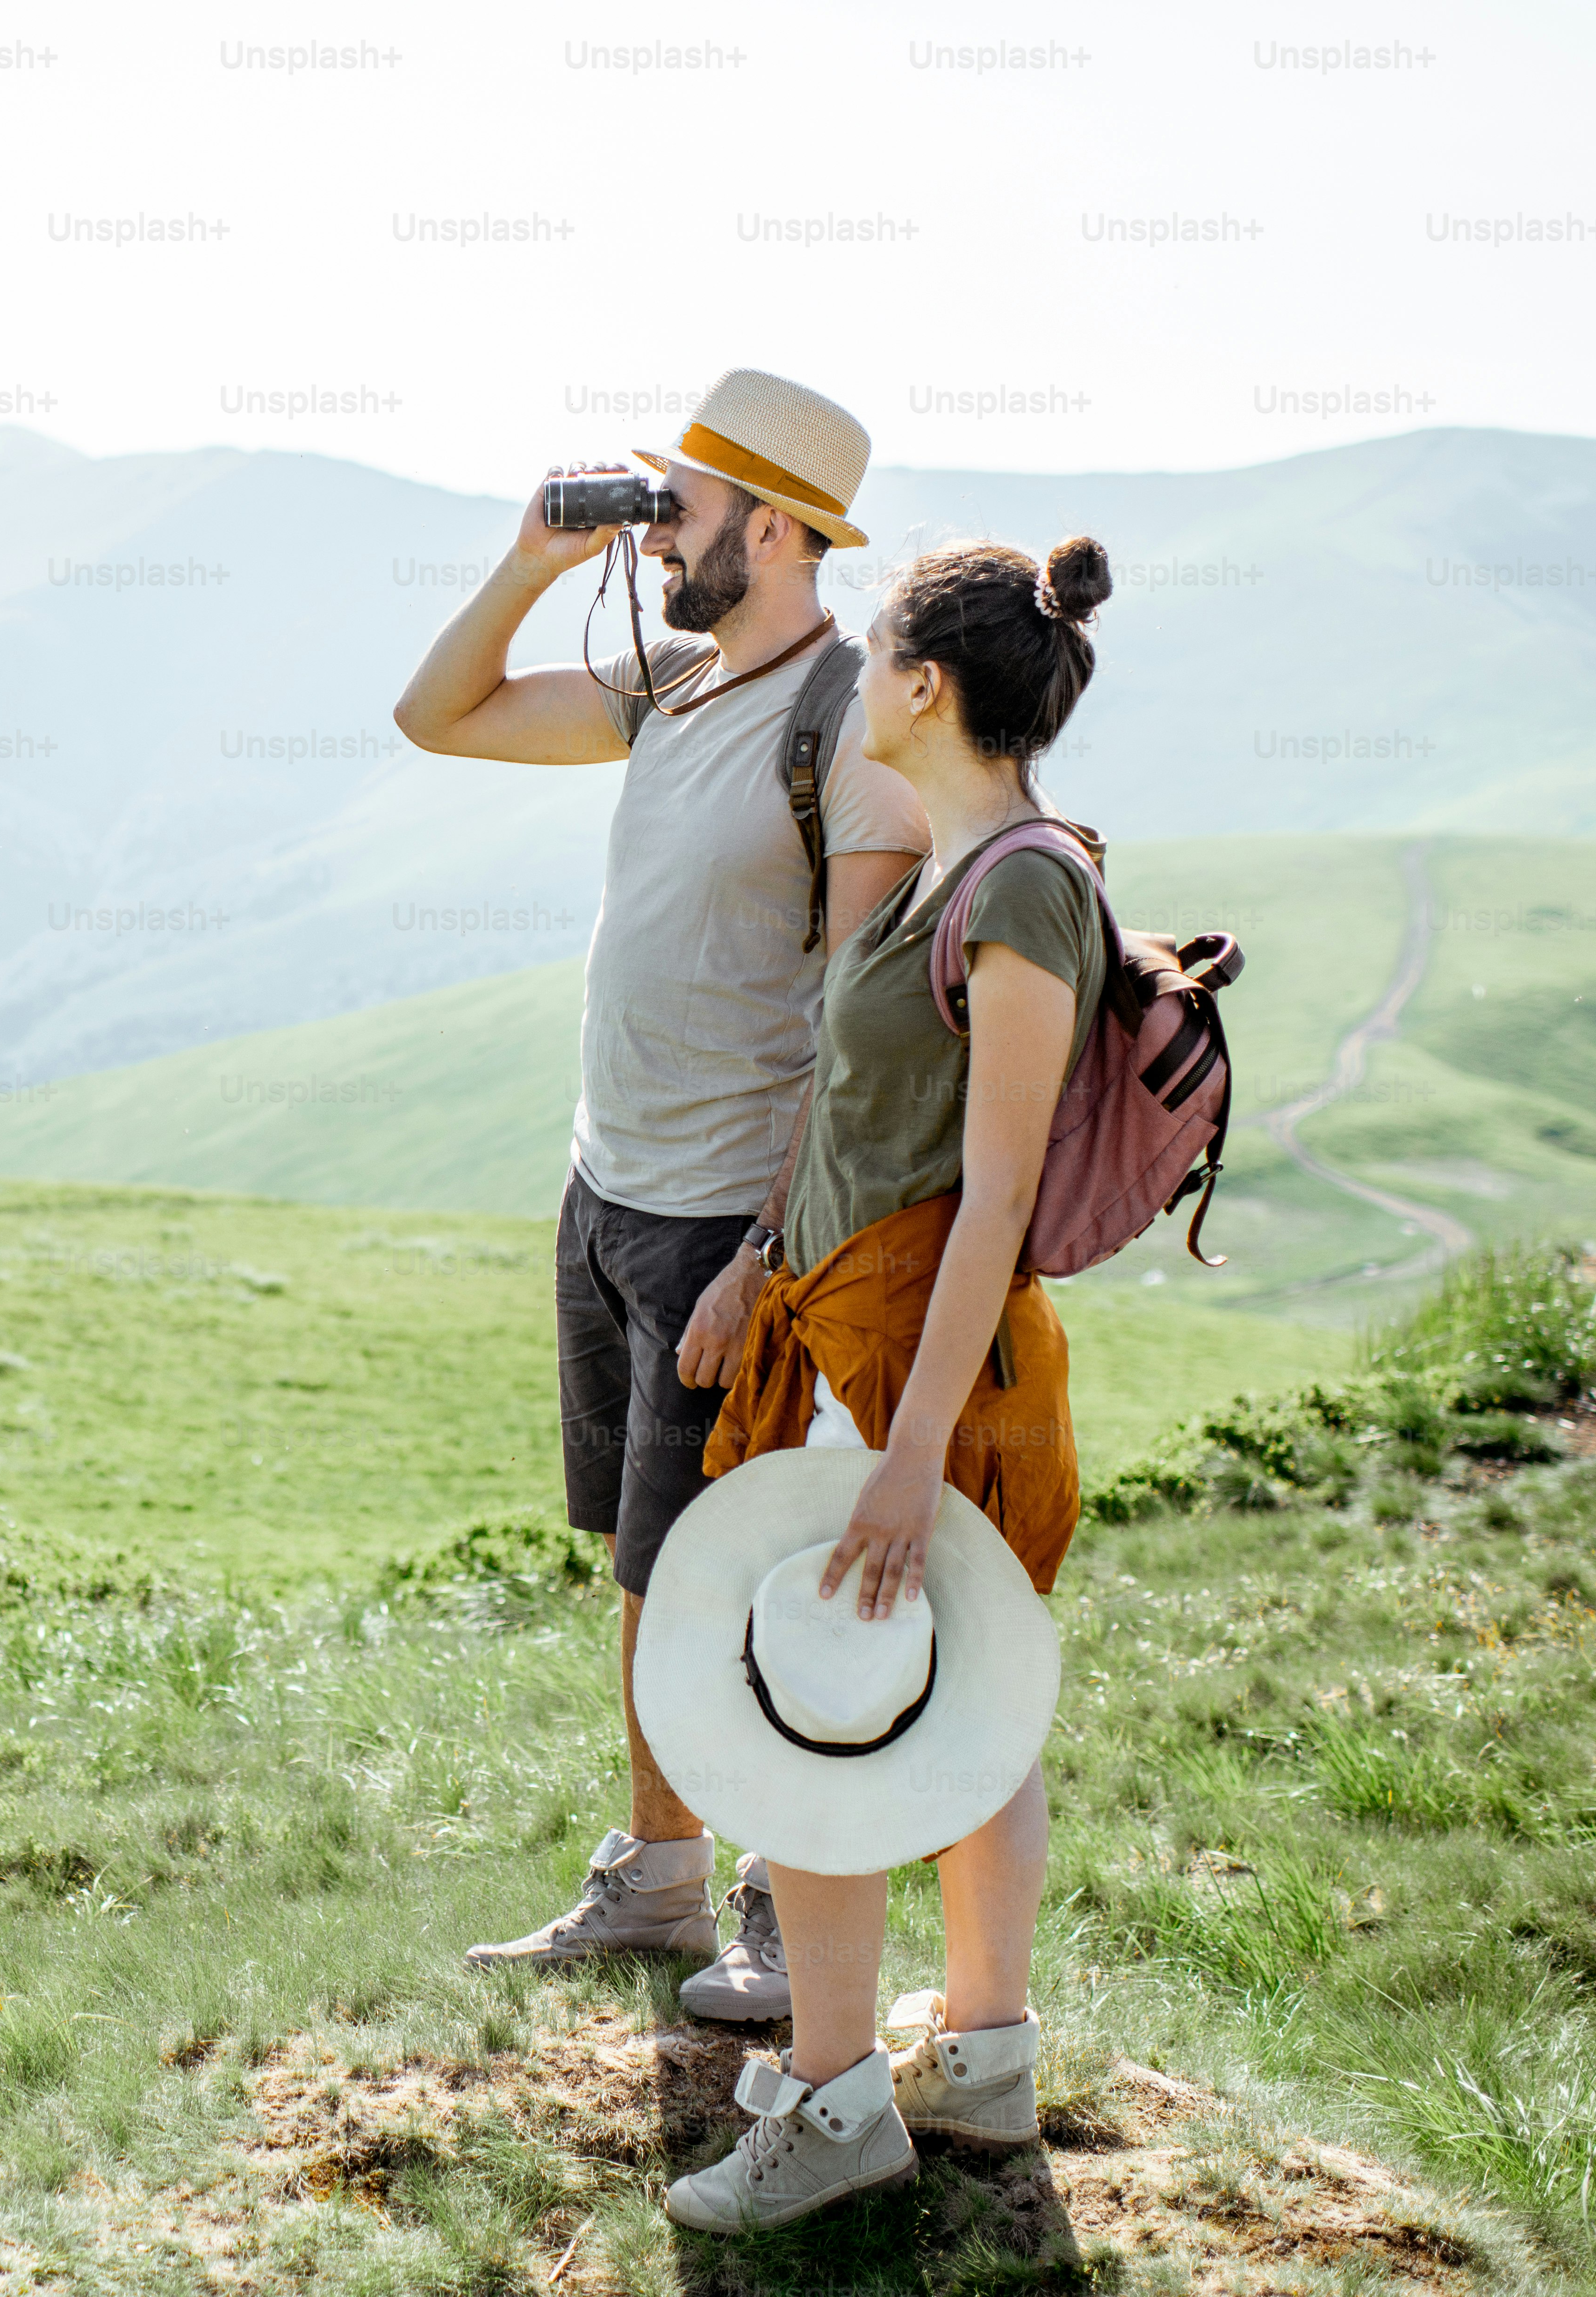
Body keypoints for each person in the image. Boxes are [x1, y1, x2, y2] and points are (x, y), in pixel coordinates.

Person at [393, 373, 926, 1987]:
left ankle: (780, 1908)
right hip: (609, 1186)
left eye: (676, 505)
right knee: (646, 1566)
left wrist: (764, 1250)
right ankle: (660, 1880)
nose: (652, 527)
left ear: (775, 530)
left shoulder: (852, 726)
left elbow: (856, 1033)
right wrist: (531, 556)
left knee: (738, 1568)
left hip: (728, 1223)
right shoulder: (672, 681)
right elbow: (441, 715)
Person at [660, 533, 1118, 2234]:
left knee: (836, 1710)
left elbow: (993, 1191)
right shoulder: (961, 867)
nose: (857, 684)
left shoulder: (1020, 888)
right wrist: (765, 1269)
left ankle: (839, 2101)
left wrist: (909, 1453)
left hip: (921, 1369)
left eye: (877, 666)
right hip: (879, 1344)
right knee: (954, 1689)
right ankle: (981, 2059)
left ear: (923, 690)